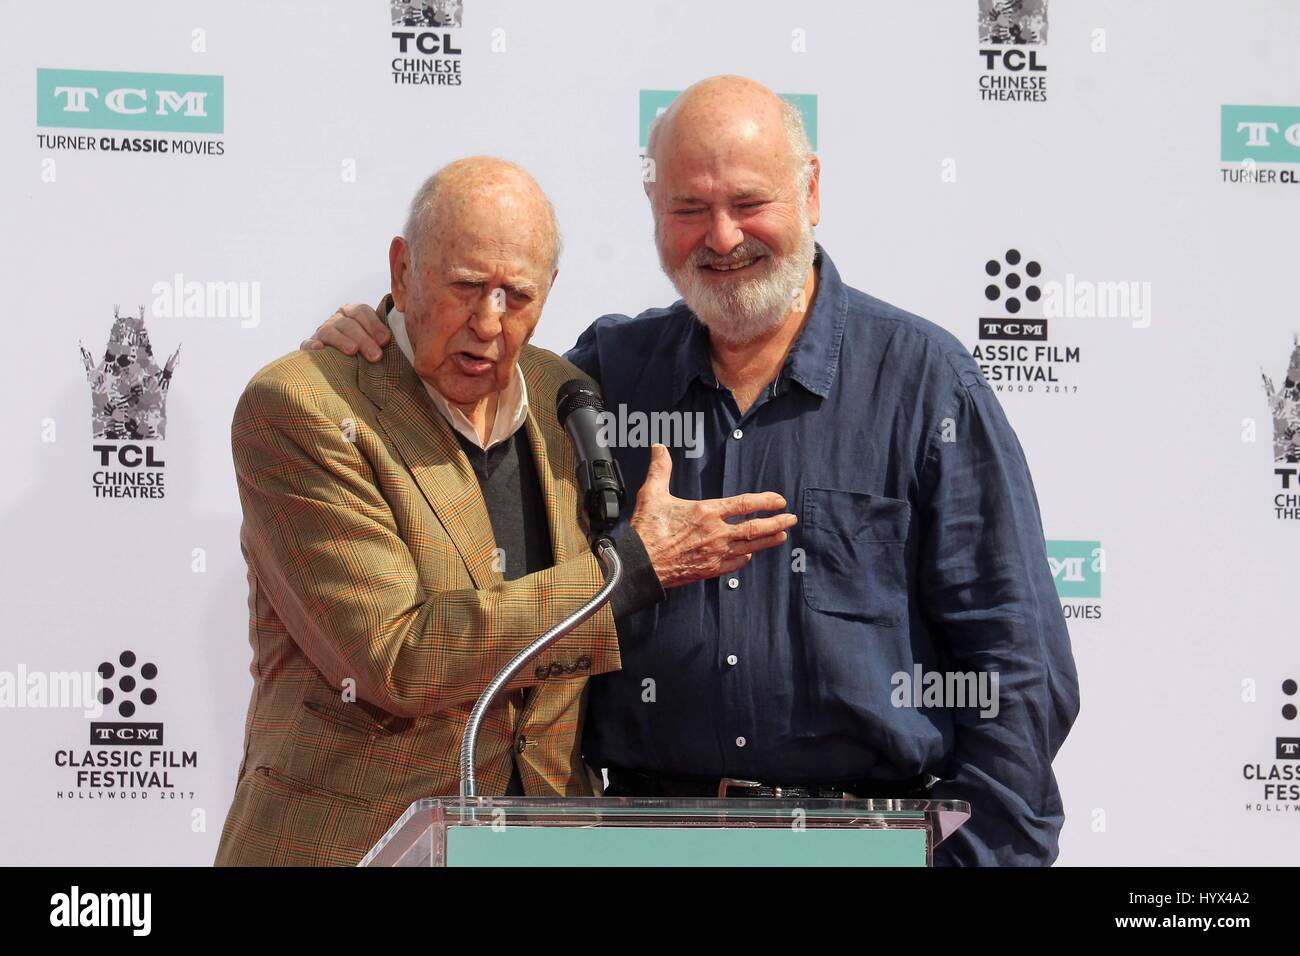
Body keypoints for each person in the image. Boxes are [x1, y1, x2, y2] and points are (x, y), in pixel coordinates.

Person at [304, 76, 1081, 866]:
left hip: (861, 848)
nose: (720, 236)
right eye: (687, 209)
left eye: (749, 203)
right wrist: (384, 335)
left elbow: (1016, 674)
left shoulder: (924, 384)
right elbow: (468, 373)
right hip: (640, 845)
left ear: (810, 192)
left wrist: (977, 859)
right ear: (653, 215)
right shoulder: (603, 378)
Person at [216, 156, 794, 866]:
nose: (489, 323)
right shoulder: (304, 408)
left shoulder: (566, 393)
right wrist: (632, 572)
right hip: (351, 847)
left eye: (516, 295)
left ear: (549, 293)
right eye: (465, 287)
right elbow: (397, 659)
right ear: (402, 271)